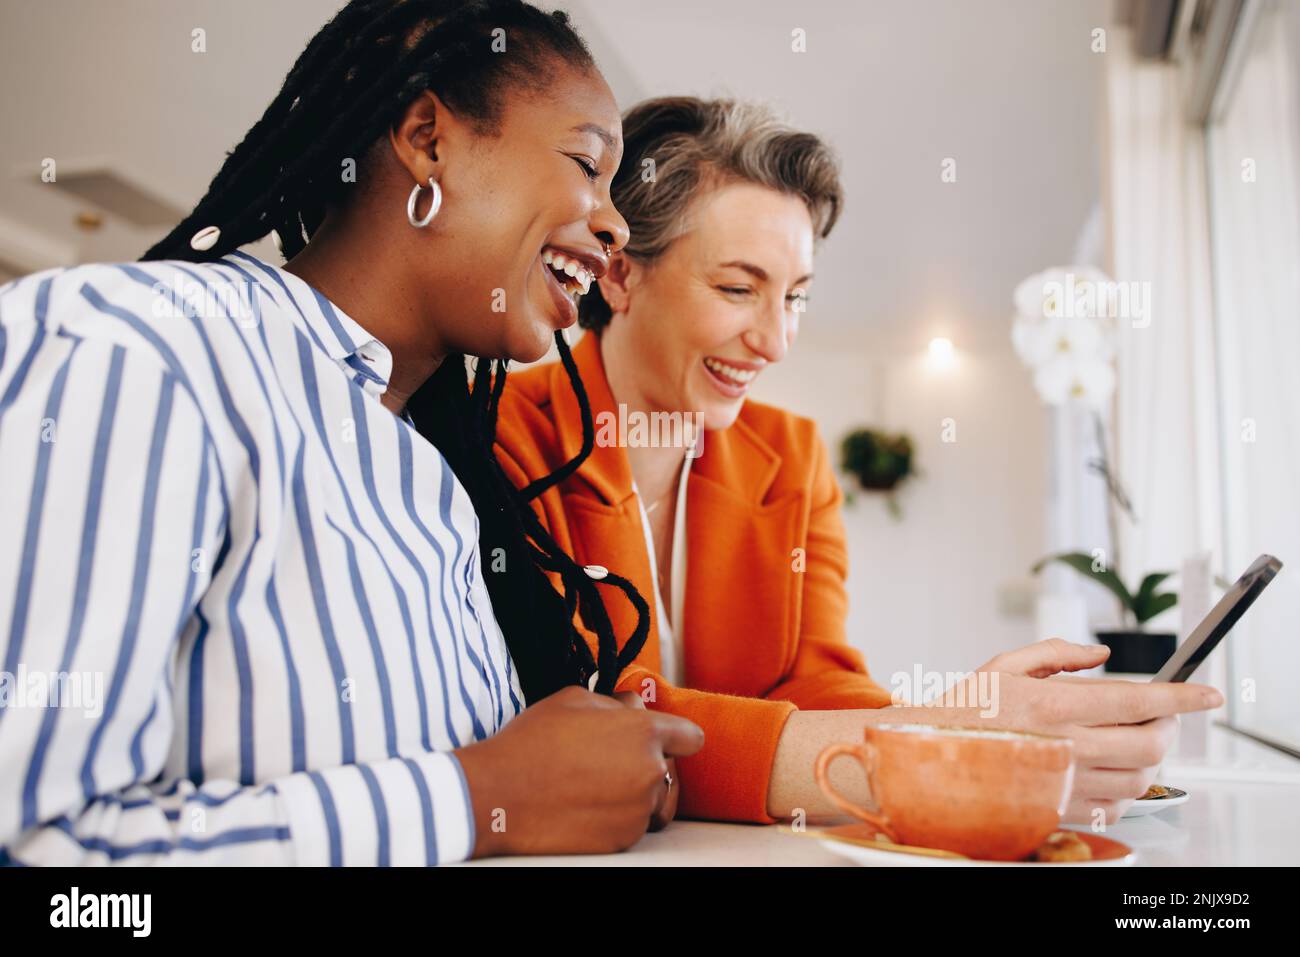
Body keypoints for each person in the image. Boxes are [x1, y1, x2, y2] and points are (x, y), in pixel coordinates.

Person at [0, 0, 701, 866]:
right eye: (586, 165)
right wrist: (482, 799)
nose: (615, 221)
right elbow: (36, 844)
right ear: (426, 138)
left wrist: (583, 772)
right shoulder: (141, 342)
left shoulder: (436, 483)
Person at [494, 96, 1223, 825]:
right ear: (618, 275)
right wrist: (933, 745)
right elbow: (591, 716)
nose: (776, 341)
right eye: (738, 289)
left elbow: (821, 680)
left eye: (797, 299)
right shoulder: (505, 436)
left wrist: (942, 730)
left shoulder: (793, 455)